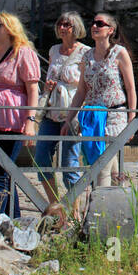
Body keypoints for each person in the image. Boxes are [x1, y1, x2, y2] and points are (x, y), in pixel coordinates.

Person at [0, 13, 41, 220]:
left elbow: (33, 89)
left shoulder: (23, 53)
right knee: (1, 171)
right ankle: (13, 220)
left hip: (12, 119)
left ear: (9, 28)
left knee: (1, 172)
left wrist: (30, 121)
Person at [61, 11, 136, 190]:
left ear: (110, 30)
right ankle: (122, 202)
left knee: (101, 166)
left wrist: (131, 118)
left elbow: (130, 87)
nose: (94, 26)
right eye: (93, 23)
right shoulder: (87, 56)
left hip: (113, 115)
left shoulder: (119, 53)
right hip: (92, 116)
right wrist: (69, 118)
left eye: (100, 24)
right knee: (111, 168)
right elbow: (81, 91)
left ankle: (97, 209)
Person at [33, 11, 90, 214]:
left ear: (76, 28)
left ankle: (74, 211)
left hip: (72, 113)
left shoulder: (86, 52)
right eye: (60, 24)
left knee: (69, 165)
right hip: (51, 111)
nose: (62, 28)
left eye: (67, 24)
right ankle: (57, 207)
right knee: (40, 158)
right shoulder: (53, 50)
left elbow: (87, 85)